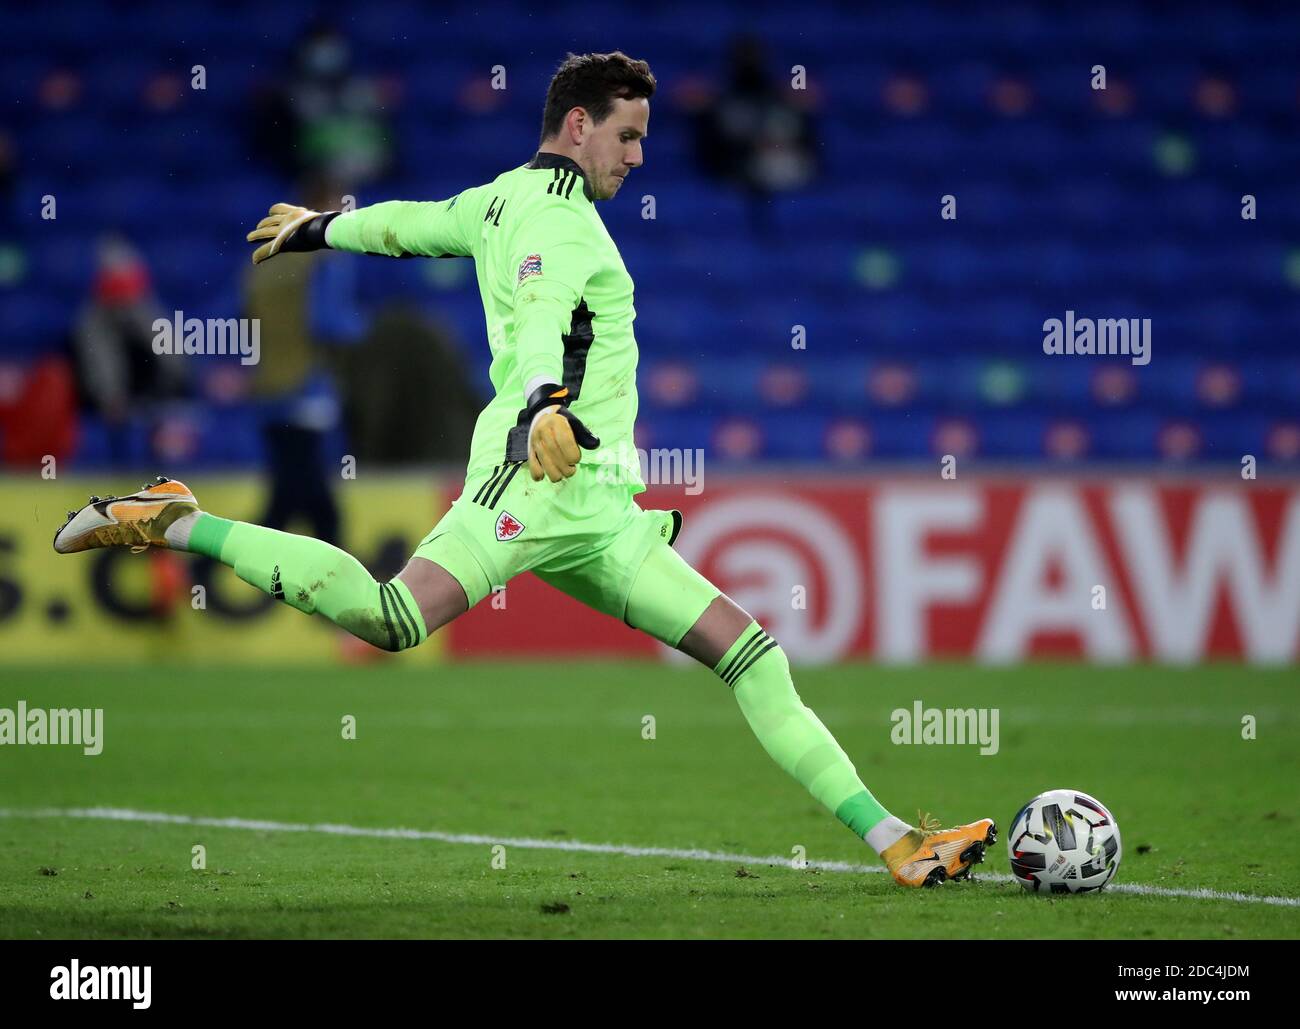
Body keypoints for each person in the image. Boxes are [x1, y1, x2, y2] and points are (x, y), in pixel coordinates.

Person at [53, 51, 993, 888]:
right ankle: (178, 518)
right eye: (627, 136)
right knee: (391, 618)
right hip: (533, 480)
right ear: (579, 126)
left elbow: (409, 226)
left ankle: (895, 843)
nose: (637, 157)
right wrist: (544, 400)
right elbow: (542, 309)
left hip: (603, 512)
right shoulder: (564, 225)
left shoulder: (496, 198)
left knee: (751, 654)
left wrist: (318, 228)